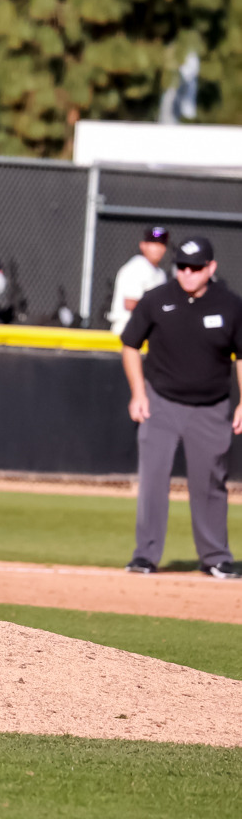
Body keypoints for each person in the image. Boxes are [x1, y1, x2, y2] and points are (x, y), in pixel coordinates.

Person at [120, 236, 242, 579]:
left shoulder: (230, 304)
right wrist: (138, 393)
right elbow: (130, 345)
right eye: (183, 266)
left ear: (211, 268)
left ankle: (216, 557)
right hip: (161, 402)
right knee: (153, 480)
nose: (188, 273)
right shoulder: (157, 299)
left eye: (196, 267)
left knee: (209, 483)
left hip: (211, 406)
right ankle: (145, 555)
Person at [108, 226, 169, 336]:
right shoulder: (136, 267)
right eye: (153, 243)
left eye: (161, 244)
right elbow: (130, 304)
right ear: (143, 246)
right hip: (128, 328)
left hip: (150, 329)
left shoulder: (160, 273)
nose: (158, 248)